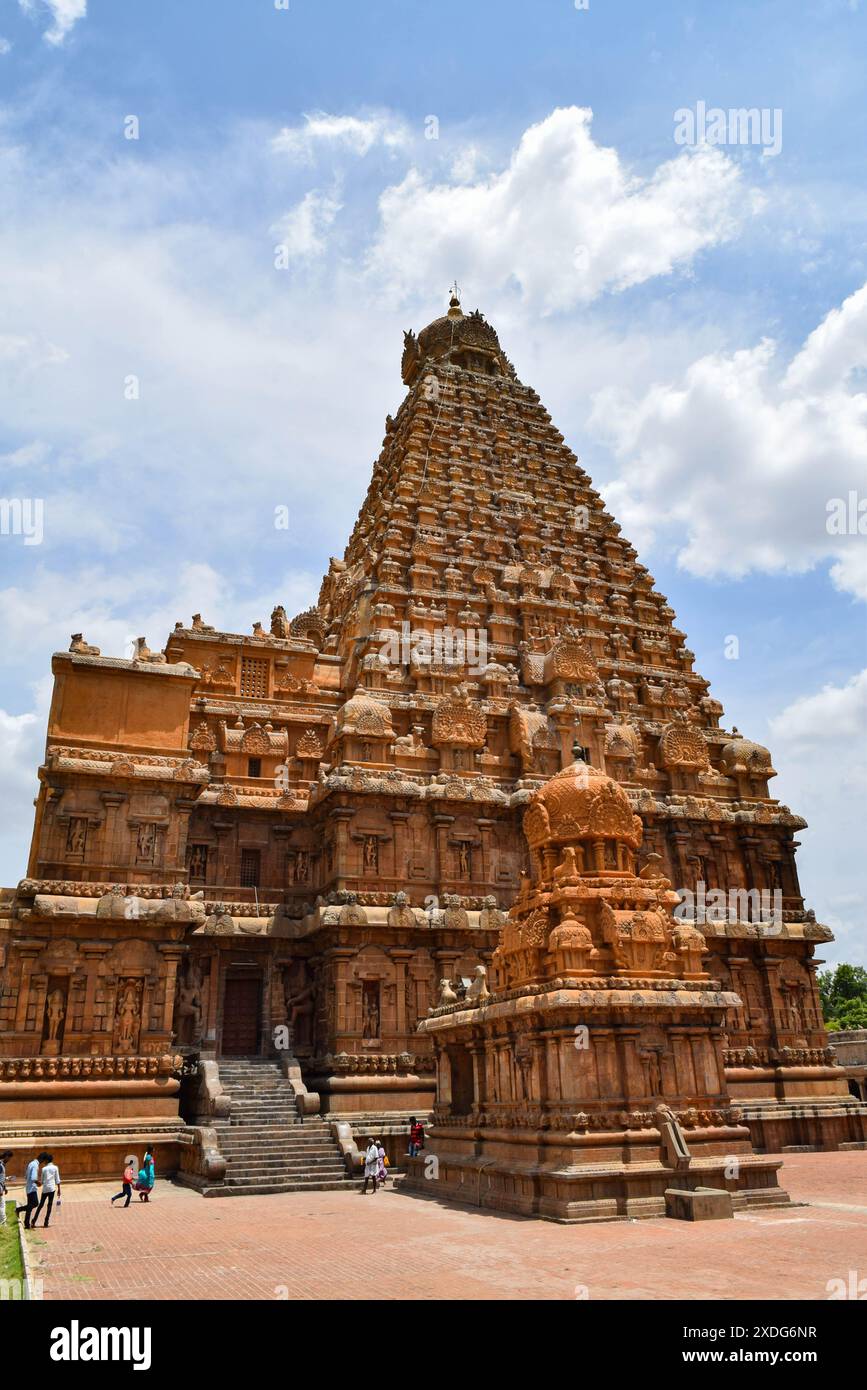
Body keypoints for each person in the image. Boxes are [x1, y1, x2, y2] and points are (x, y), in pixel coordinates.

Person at [16, 1152, 49, 1229]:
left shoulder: (31, 1163)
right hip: (32, 1188)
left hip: (29, 1187)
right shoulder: (35, 1165)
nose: (43, 1163)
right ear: (42, 1159)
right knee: (35, 1203)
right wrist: (39, 1183)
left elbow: (26, 1176)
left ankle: (27, 1224)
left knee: (30, 1206)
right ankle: (18, 1210)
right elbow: (33, 1178)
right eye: (44, 1161)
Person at [32, 1154, 61, 1228]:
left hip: (45, 1189)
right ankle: (46, 1222)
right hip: (52, 1189)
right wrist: (59, 1190)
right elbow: (57, 1179)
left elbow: (42, 1180)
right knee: (49, 1205)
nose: (44, 1161)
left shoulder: (44, 1169)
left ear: (47, 1160)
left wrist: (38, 1184)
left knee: (41, 1205)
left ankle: (34, 1220)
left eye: (45, 1160)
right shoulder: (55, 1168)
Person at [0, 1150, 12, 1226]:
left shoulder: (2, 1165)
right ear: (6, 1157)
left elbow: (1, 1178)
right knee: (2, 1205)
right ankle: (3, 1223)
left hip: (1, 1187)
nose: (9, 1160)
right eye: (9, 1158)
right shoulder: (0, 1165)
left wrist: (5, 1187)